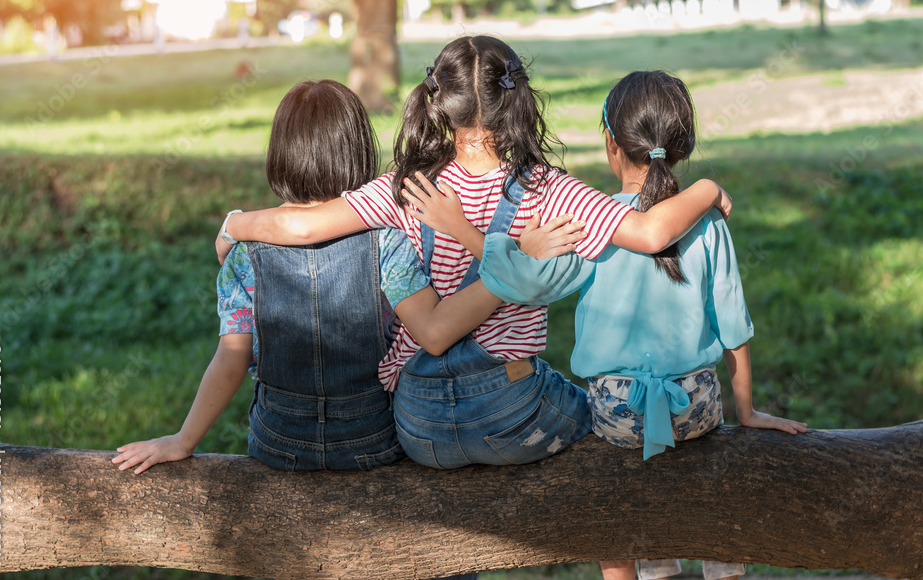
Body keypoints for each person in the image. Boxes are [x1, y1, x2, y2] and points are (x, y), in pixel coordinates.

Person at [214, 37, 731, 469]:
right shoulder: (551, 190)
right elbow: (649, 234)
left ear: (439, 102)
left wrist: (235, 224)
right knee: (591, 410)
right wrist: (706, 188)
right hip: (510, 413)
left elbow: (302, 225)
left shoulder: (404, 187)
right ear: (518, 100)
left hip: (418, 425)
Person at [408, 70, 808, 580]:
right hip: (698, 405)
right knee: (703, 475)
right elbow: (734, 325)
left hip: (618, 411)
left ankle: (654, 569)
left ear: (610, 144)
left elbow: (527, 282)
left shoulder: (595, 221)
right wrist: (747, 412)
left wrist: (468, 232)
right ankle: (723, 567)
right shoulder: (708, 222)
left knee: (617, 465)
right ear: (680, 145)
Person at [111, 80, 504, 476]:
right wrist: (511, 276)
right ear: (357, 150)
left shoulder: (244, 252)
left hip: (279, 440)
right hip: (372, 438)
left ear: (280, 154)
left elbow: (231, 359)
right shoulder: (387, 240)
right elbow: (432, 333)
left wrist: (182, 441)